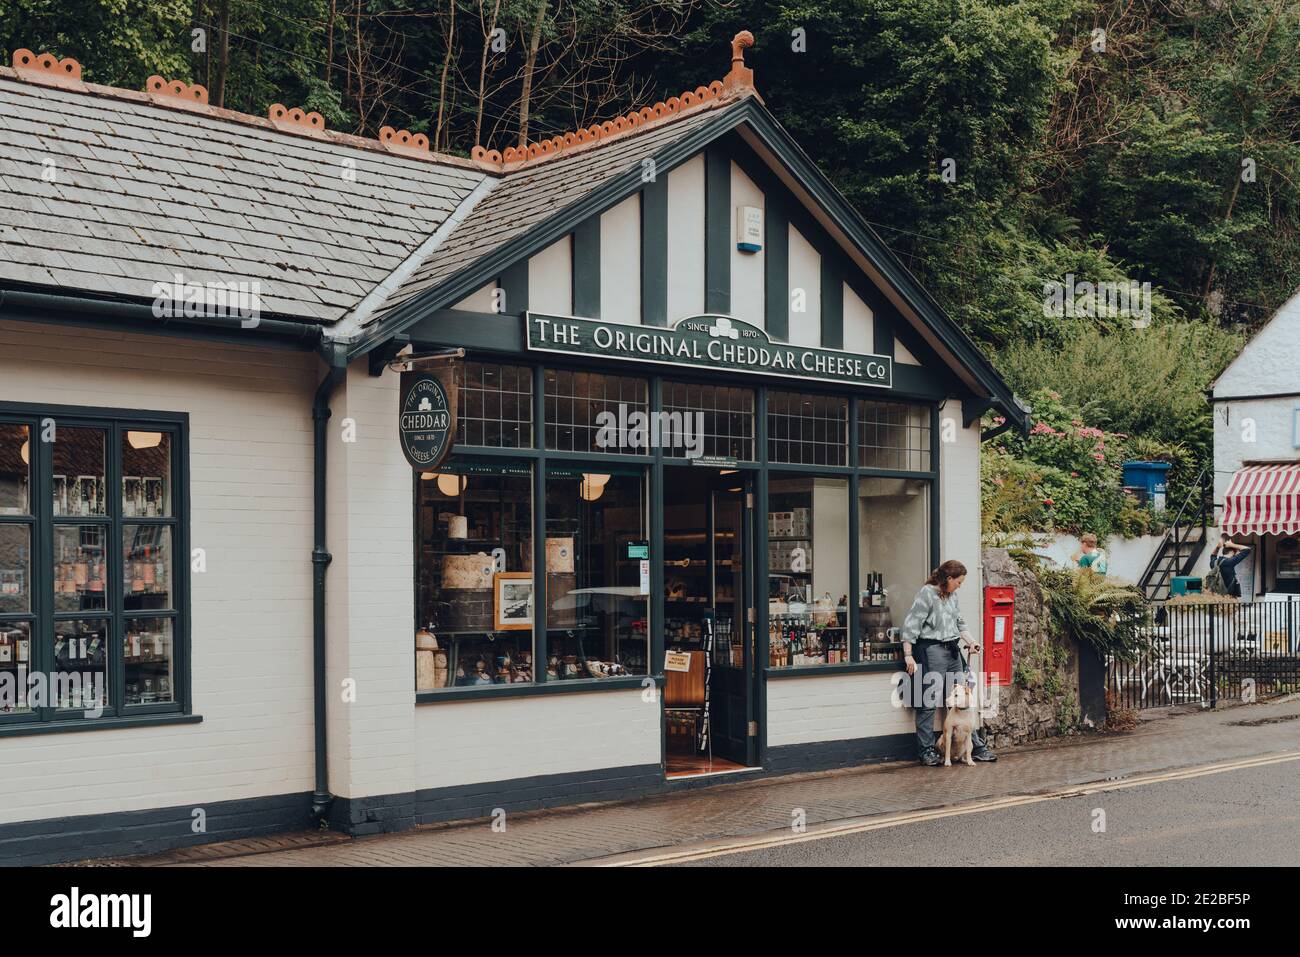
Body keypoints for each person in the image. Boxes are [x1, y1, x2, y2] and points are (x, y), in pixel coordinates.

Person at [900, 560, 997, 767]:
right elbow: (911, 624)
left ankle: (975, 747)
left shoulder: (953, 596)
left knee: (963, 698)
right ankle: (927, 750)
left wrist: (972, 642)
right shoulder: (927, 593)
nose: (960, 586)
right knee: (929, 700)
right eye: (959, 582)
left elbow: (959, 622)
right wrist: (908, 655)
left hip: (952, 650)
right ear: (948, 578)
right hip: (932, 649)